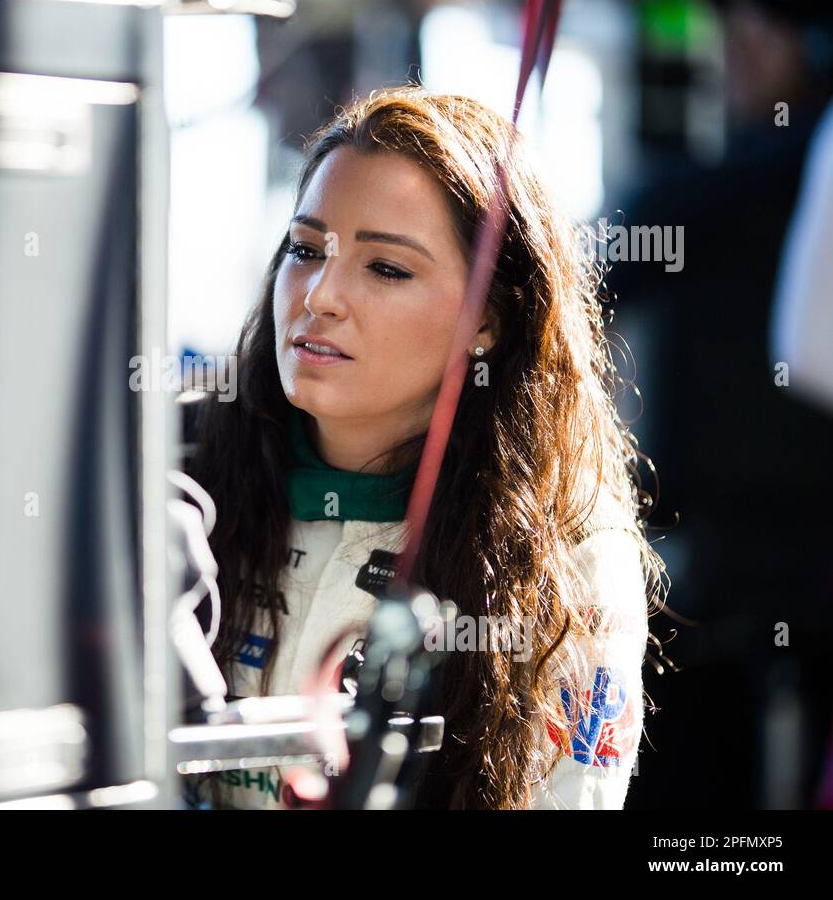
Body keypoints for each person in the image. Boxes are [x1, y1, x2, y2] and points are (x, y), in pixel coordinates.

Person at [183, 85, 663, 809]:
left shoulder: (567, 549)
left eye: (386, 268)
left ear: (490, 320)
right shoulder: (184, 483)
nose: (320, 295)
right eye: (306, 249)